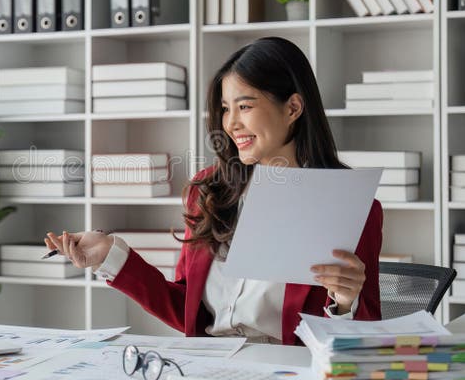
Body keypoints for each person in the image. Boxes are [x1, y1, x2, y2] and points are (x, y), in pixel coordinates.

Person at [45, 37, 383, 345]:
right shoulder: (209, 191)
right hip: (209, 369)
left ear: (293, 108)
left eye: (245, 106)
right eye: (225, 108)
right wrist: (110, 255)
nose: (231, 123)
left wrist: (344, 304)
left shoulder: (348, 204)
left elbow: (365, 340)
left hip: (289, 377)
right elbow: (188, 312)